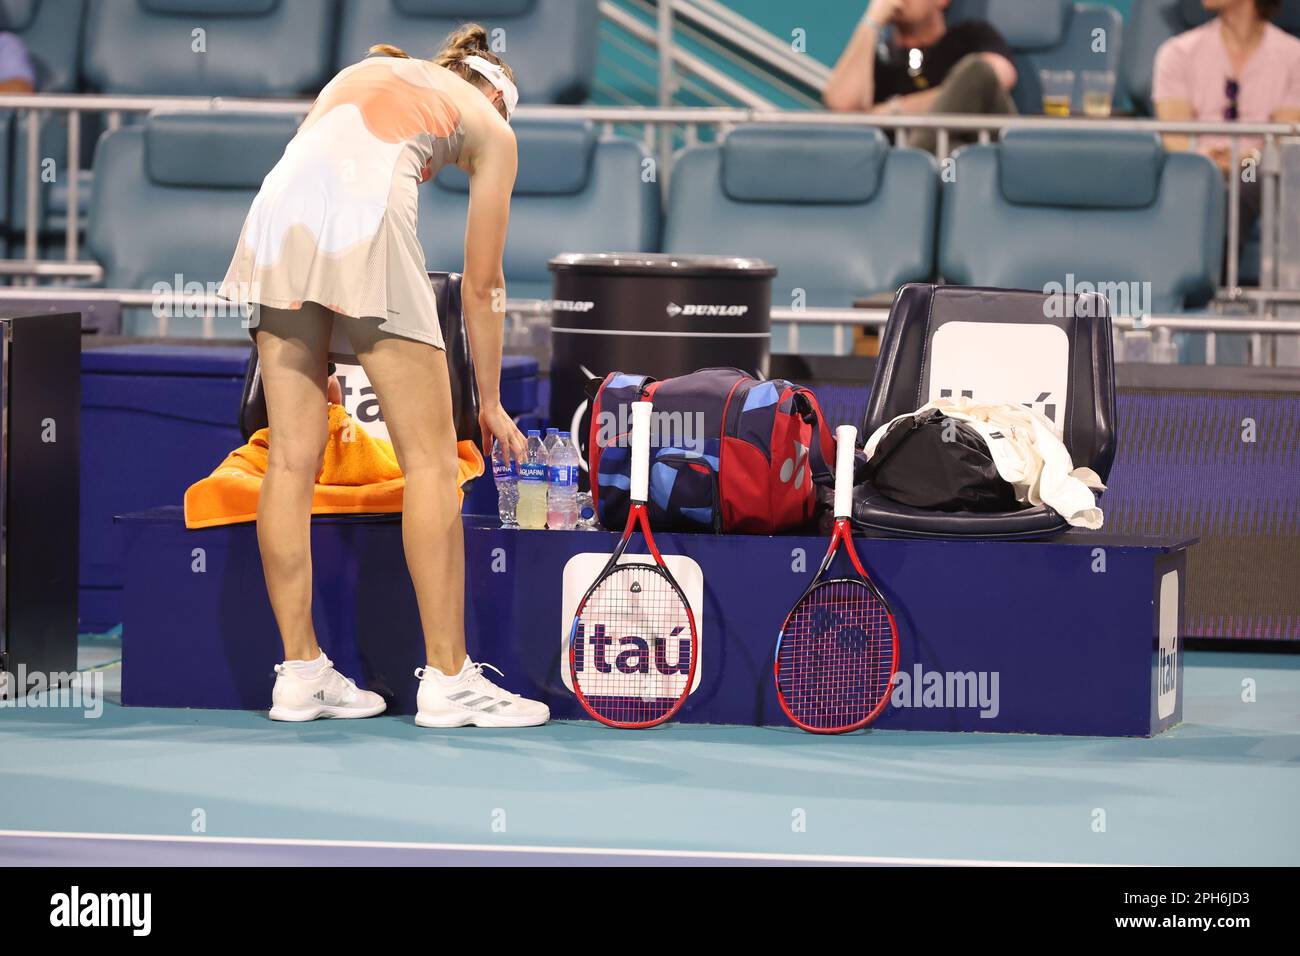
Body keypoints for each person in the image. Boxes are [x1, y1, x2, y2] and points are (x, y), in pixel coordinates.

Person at [219, 24, 549, 728]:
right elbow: (485, 285)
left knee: (290, 462)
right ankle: (451, 679)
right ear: (494, 91)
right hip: (362, 220)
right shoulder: (492, 124)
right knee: (432, 462)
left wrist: (323, 358)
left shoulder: (372, 70)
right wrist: (488, 401)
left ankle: (302, 672)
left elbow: (320, 198)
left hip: (273, 216)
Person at [1154, 0, 1300, 235]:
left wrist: (1243, 158)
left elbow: (1284, 140)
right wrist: (1206, 158)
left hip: (1257, 169)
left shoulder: (1294, 56)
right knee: (1201, 185)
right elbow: (1173, 136)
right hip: (1198, 168)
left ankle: (1211, 262)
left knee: (1253, 176)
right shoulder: (1177, 53)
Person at [824, 0, 1018, 151]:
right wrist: (871, 20)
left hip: (978, 154)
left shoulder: (970, 35)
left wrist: (888, 112)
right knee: (951, 151)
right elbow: (843, 106)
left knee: (976, 69)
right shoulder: (876, 61)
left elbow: (996, 76)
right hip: (936, 166)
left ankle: (909, 168)